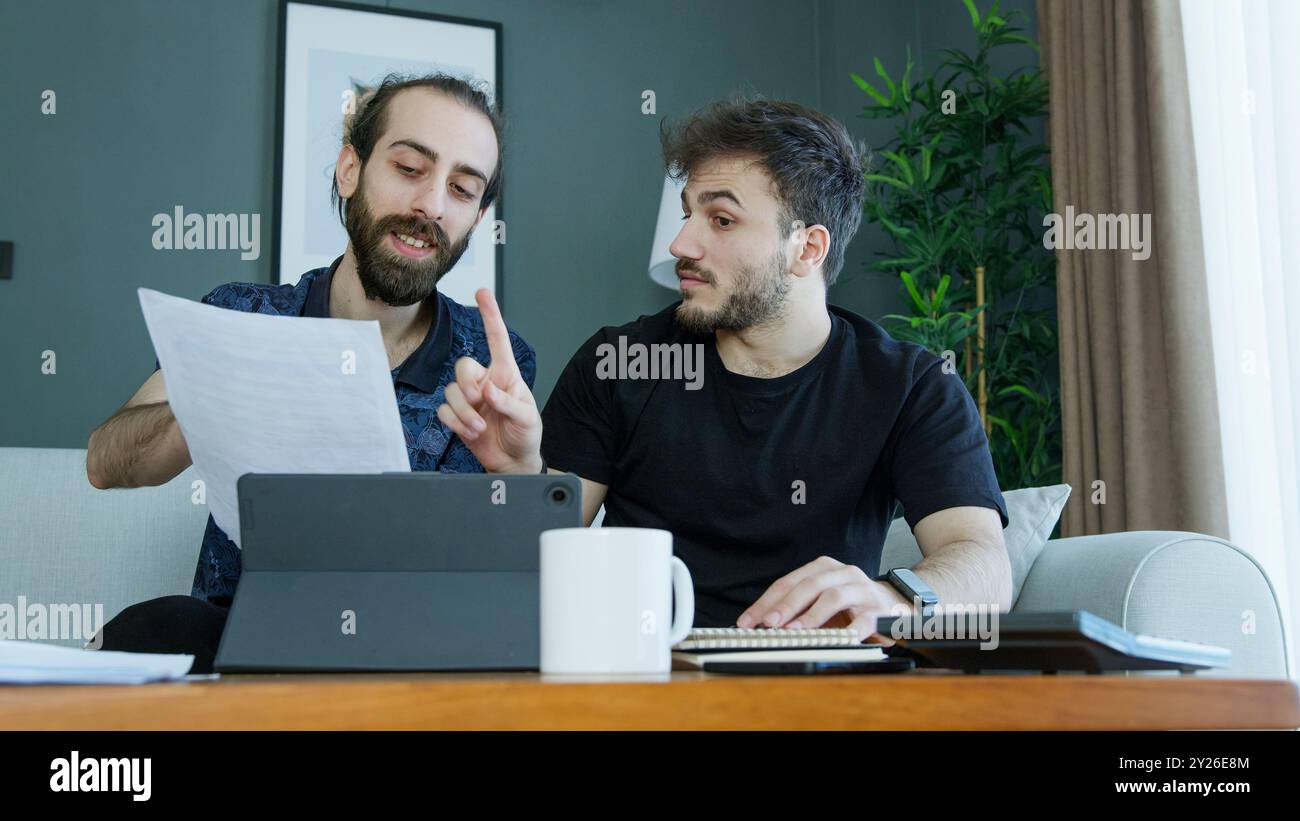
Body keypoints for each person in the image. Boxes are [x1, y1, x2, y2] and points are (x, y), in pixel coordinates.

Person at [438, 96, 1012, 642]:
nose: (681, 242)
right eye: (689, 213)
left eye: (722, 219)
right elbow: (541, 566)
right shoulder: (619, 361)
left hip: (817, 688)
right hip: (642, 679)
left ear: (807, 249)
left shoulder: (910, 385)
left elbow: (984, 567)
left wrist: (896, 600)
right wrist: (518, 474)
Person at [85, 73, 540, 672]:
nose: (431, 205)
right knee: (150, 628)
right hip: (241, 641)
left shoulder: (495, 361)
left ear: (477, 218)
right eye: (409, 169)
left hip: (417, 652)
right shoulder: (243, 315)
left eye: (461, 189)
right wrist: (207, 403)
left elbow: (513, 593)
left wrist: (522, 470)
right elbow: (104, 463)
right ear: (350, 170)